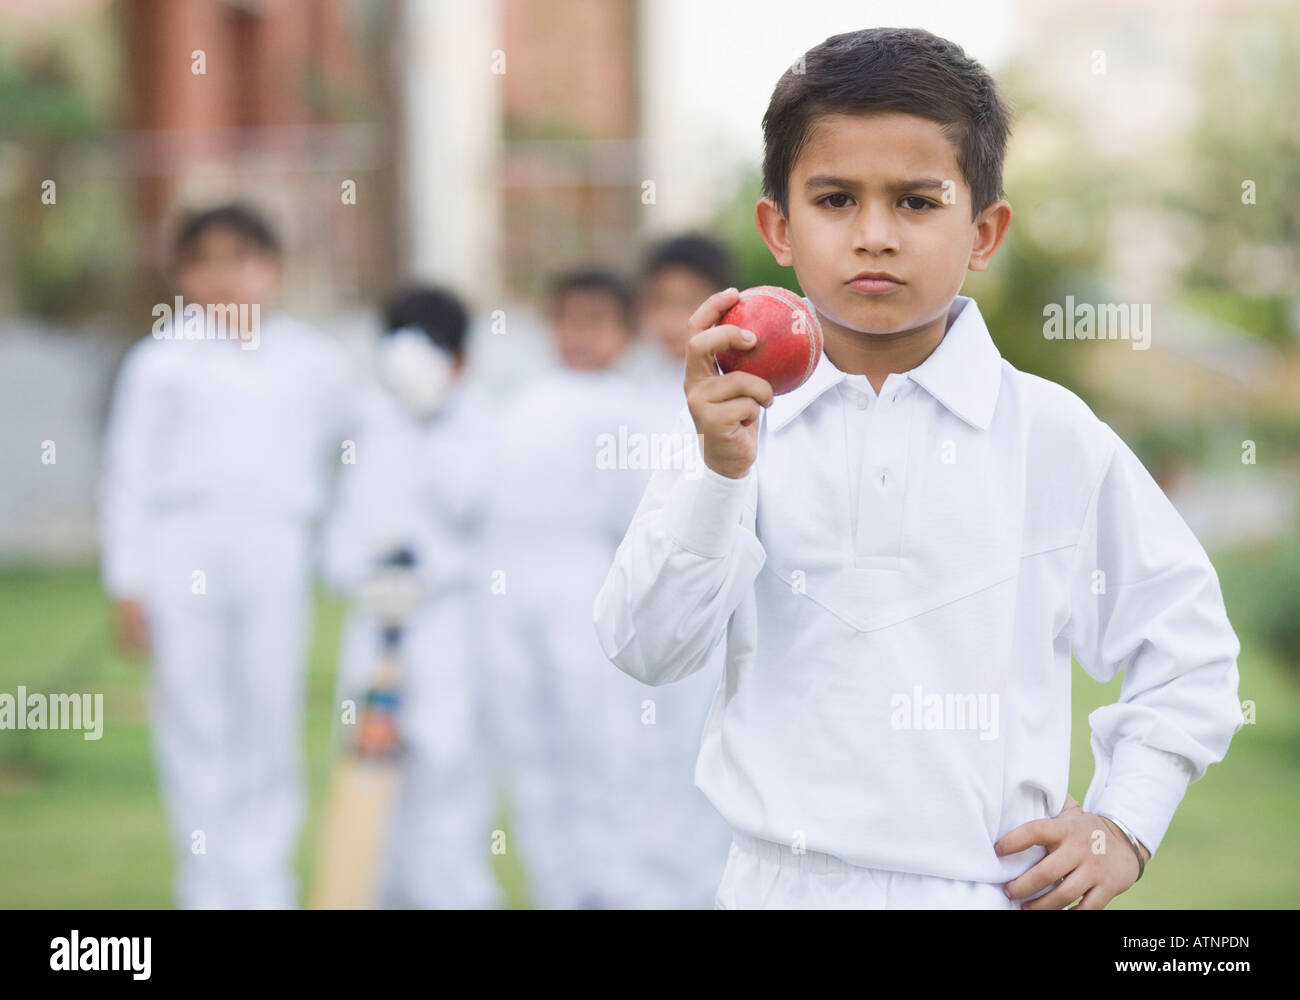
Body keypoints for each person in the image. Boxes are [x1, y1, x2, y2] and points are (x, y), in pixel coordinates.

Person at [593, 28, 1244, 910]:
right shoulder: (736, 426)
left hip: (978, 889)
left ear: (984, 232)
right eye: (834, 199)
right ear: (776, 227)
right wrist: (719, 474)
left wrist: (1125, 822)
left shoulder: (1049, 437)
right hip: (774, 886)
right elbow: (646, 648)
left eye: (915, 202)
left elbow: (1190, 650)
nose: (873, 236)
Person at [100, 202, 356, 908]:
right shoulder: (159, 363)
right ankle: (208, 883)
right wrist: (127, 581)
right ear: (181, 274)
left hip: (274, 543)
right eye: (205, 261)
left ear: (272, 270)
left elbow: (368, 441)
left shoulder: (314, 361)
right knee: (194, 714)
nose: (225, 278)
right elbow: (127, 475)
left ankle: (263, 881)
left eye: (241, 259)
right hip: (183, 546)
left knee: (267, 711)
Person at [320, 286, 501, 909]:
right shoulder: (371, 422)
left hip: (448, 623)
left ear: (459, 360)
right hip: (376, 626)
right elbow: (343, 531)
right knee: (371, 773)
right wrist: (366, 577)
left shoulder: (477, 420)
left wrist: (431, 417)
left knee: (447, 770)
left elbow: (471, 501)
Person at [483, 268, 650, 908]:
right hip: (510, 584)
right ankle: (555, 885)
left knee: (599, 742)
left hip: (587, 579)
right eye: (569, 322)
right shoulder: (521, 402)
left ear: (623, 334)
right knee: (529, 742)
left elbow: (639, 517)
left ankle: (614, 885)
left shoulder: (625, 407)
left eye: (597, 323)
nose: (580, 337)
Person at [624, 234, 741, 906]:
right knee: (639, 777)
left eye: (684, 303)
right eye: (657, 304)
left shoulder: (739, 397)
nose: (670, 321)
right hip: (643, 619)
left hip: (711, 625)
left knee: (704, 774)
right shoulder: (622, 396)